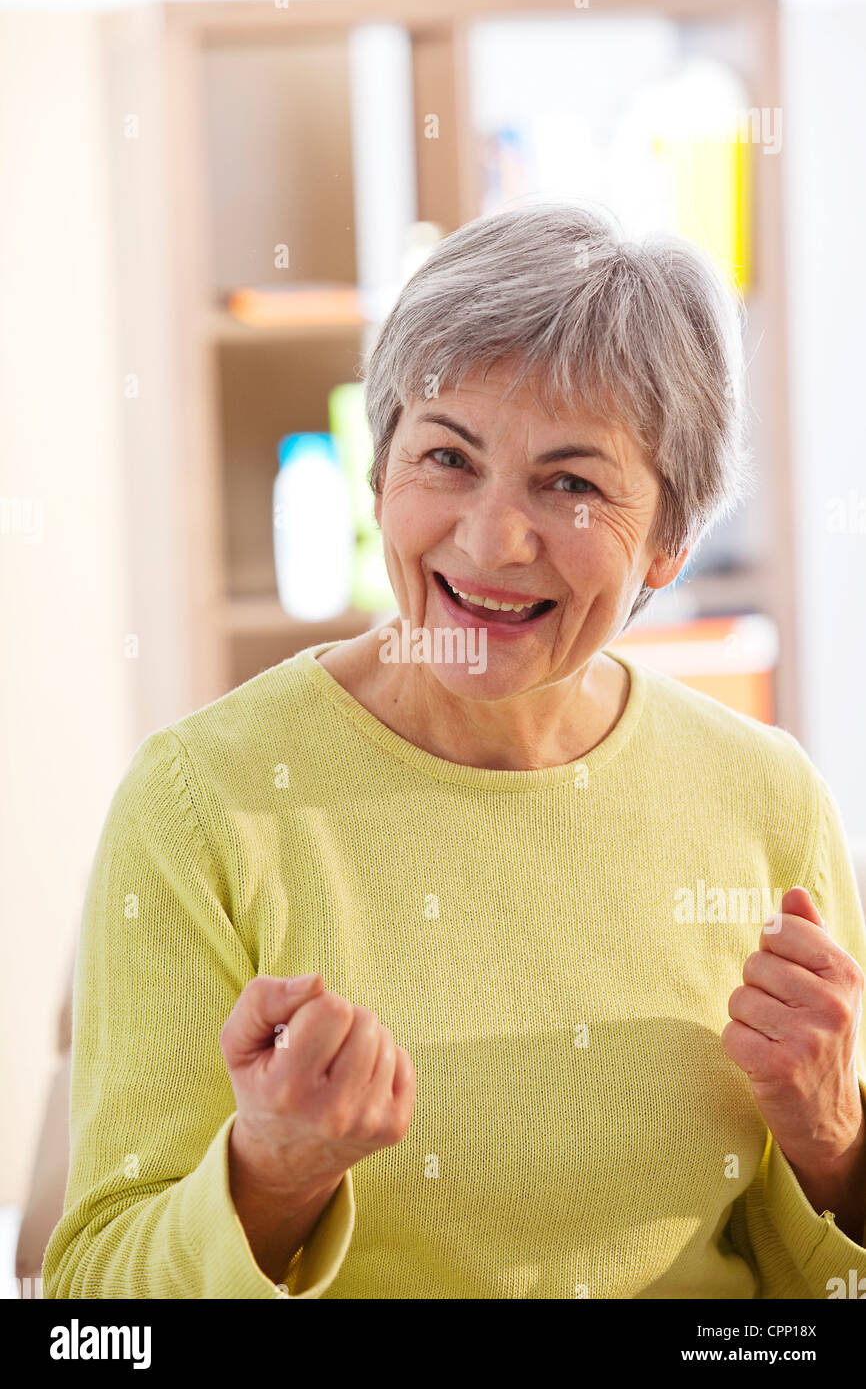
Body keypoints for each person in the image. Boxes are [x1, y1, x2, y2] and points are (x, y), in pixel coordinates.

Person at [44, 203, 866, 1299]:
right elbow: (95, 1306)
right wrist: (267, 1178)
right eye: (447, 457)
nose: (489, 540)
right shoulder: (204, 801)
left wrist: (833, 1145)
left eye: (569, 482)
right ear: (381, 472)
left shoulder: (765, 798)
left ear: (668, 540)